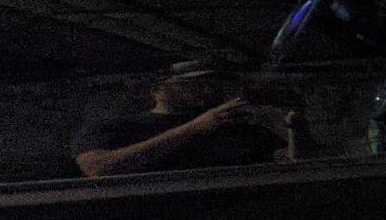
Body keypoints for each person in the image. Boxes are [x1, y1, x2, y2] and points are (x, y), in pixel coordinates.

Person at [74, 67, 295, 178]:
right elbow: (98, 167)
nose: (205, 90)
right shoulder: (116, 128)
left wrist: (294, 123)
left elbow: (293, 162)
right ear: (157, 91)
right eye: (190, 83)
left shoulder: (239, 130)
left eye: (209, 83)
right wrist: (196, 127)